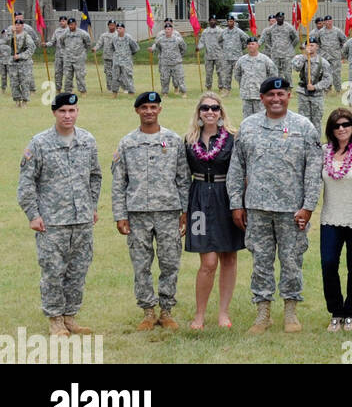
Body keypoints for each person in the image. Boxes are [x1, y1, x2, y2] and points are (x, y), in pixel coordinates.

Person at [228, 77, 324, 334]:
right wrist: (236, 203)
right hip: (257, 208)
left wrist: (309, 206)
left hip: (292, 209)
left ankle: (291, 312)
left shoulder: (304, 126)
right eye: (270, 94)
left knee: (292, 260)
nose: (276, 99)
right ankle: (263, 314)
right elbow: (236, 168)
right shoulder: (248, 127)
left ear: (289, 96)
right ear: (262, 98)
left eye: (280, 94)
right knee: (261, 260)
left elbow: (313, 171)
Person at [18, 93, 101, 337]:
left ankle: (70, 317)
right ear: (54, 112)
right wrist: (33, 214)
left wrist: (92, 205)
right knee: (53, 271)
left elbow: (95, 176)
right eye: (63, 111)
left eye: (72, 111)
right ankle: (55, 319)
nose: (68, 115)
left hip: (82, 220)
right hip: (52, 221)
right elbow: (26, 184)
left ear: (77, 112)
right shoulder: (39, 143)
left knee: (78, 270)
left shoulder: (87, 140)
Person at [112, 91, 190, 331]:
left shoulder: (174, 140)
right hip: (138, 214)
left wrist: (185, 211)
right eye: (144, 107)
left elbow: (183, 179)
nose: (149, 111)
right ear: (137, 111)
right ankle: (148, 311)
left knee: (170, 263)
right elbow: (119, 182)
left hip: (168, 212)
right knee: (141, 265)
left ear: (160, 110)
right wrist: (120, 215)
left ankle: (166, 311)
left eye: (153, 107)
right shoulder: (127, 143)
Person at [184, 93, 244, 330]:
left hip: (226, 198)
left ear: (221, 112)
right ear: (199, 112)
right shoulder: (189, 140)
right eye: (205, 108)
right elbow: (181, 174)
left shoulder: (233, 138)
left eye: (215, 108)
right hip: (199, 201)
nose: (210, 112)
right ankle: (199, 315)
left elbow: (241, 172)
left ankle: (223, 313)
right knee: (207, 260)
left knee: (228, 257)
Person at [319, 109, 352, 332]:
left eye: (346, 124)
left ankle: (350, 313)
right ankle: (336, 311)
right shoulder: (323, 152)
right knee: (329, 264)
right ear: (331, 129)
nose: (341, 129)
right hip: (331, 218)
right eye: (336, 125)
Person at [291, 35, 331, 139]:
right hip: (303, 93)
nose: (310, 47)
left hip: (317, 95)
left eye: (312, 45)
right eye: (308, 45)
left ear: (317, 47)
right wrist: (305, 56)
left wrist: (316, 87)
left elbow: (328, 80)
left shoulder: (323, 62)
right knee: (303, 119)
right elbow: (296, 67)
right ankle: (304, 140)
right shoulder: (300, 58)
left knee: (316, 120)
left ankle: (316, 141)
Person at [232, 38, 278, 119]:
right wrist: (244, 84)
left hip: (260, 94)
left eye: (253, 44)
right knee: (247, 118)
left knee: (261, 117)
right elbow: (237, 74)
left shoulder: (264, 59)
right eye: (249, 44)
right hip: (247, 94)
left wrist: (267, 87)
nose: (250, 46)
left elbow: (273, 73)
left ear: (257, 45)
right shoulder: (242, 60)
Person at [5, 15, 37, 106]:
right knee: (14, 83)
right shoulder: (11, 34)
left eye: (19, 25)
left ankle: (25, 101)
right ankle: (17, 100)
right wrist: (11, 34)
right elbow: (5, 42)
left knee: (24, 82)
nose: (17, 26)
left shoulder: (26, 36)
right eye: (16, 25)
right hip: (13, 63)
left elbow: (31, 48)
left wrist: (20, 56)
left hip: (24, 63)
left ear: (22, 26)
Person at [151, 20, 188, 97]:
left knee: (180, 78)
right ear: (164, 30)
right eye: (166, 29)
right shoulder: (160, 40)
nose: (167, 31)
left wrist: (178, 56)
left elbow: (184, 48)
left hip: (176, 63)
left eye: (169, 29)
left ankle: (183, 92)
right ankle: (165, 93)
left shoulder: (178, 39)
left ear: (172, 30)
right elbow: (157, 47)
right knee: (165, 79)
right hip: (165, 63)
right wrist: (152, 49)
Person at [58, 17, 92, 94]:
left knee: (80, 76)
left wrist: (83, 52)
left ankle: (83, 91)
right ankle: (68, 91)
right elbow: (61, 42)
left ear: (76, 24)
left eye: (72, 24)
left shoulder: (83, 33)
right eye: (69, 25)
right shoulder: (65, 33)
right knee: (67, 76)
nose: (70, 26)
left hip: (79, 58)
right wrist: (67, 52)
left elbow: (88, 44)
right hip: (68, 58)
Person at [261, 12, 297, 79]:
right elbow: (267, 39)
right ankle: (277, 87)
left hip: (287, 54)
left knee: (287, 72)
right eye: (278, 17)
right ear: (276, 18)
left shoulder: (289, 27)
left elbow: (296, 38)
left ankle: (289, 87)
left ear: (284, 18)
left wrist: (290, 47)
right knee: (275, 72)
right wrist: (272, 47)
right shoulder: (271, 28)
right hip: (275, 54)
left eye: (281, 17)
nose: (280, 18)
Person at [318, 16, 347, 96]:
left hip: (335, 56)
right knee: (325, 73)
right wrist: (320, 51)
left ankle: (338, 90)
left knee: (336, 74)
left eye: (329, 21)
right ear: (324, 22)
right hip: (324, 57)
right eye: (326, 21)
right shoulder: (321, 32)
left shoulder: (337, 31)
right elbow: (317, 43)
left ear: (332, 21)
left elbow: (344, 41)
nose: (328, 22)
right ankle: (327, 89)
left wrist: (341, 51)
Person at [219, 16, 247, 96]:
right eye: (228, 21)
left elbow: (246, 39)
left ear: (234, 22)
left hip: (236, 57)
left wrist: (242, 48)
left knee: (238, 75)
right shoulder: (223, 32)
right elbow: (219, 41)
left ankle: (242, 91)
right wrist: (224, 48)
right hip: (226, 57)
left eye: (231, 21)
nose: (230, 23)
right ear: (227, 22)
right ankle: (227, 91)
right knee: (227, 75)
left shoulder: (239, 31)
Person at [91, 20, 118, 94]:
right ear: (108, 26)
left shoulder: (118, 34)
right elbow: (99, 43)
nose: (111, 26)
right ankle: (110, 88)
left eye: (113, 25)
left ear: (115, 26)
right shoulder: (104, 35)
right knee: (108, 73)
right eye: (110, 25)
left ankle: (117, 87)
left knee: (117, 73)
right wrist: (95, 48)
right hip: (107, 57)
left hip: (117, 57)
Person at [198, 17, 224, 92]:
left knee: (220, 72)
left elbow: (224, 41)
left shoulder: (221, 31)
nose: (212, 21)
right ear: (209, 22)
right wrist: (198, 48)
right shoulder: (205, 32)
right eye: (210, 20)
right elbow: (202, 41)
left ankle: (221, 87)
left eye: (213, 20)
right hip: (208, 55)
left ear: (216, 21)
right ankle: (208, 87)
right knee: (208, 73)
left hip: (219, 55)